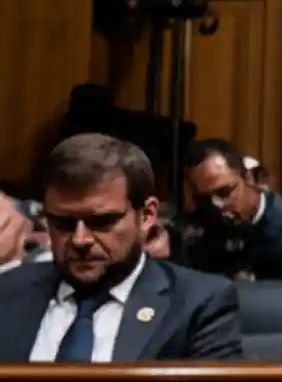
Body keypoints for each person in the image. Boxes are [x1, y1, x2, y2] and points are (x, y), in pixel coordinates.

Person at [0, 134, 242, 361]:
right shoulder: (7, 293)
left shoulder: (198, 305)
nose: (80, 239)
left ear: (147, 216)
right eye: (63, 223)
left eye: (102, 222)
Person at [182, 138, 282, 287]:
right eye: (205, 199)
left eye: (225, 192)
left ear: (250, 179)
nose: (218, 205)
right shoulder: (198, 238)